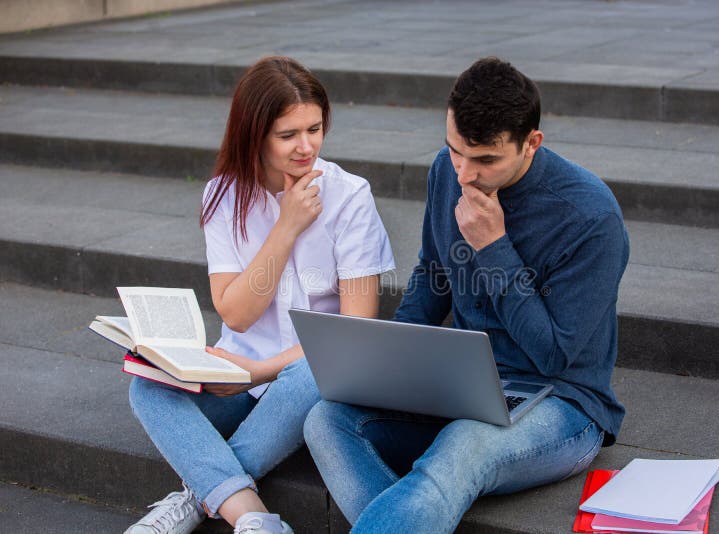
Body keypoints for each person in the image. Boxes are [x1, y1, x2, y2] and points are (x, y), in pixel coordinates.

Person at [303, 57, 629, 533]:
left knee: (464, 444)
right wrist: (389, 362)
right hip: (462, 384)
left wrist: (494, 248)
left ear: (531, 144)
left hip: (563, 405)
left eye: (486, 160)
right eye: (456, 151)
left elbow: (554, 354)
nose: (464, 174)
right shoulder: (445, 171)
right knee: (326, 420)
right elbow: (433, 272)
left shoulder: (590, 218)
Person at [125, 56, 394, 534]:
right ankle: (252, 517)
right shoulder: (222, 195)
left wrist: (260, 371)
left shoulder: (350, 197)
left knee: (317, 369)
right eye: (288, 135)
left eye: (315, 128)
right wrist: (286, 227)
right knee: (147, 385)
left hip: (313, 377)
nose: (306, 146)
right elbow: (236, 313)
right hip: (236, 370)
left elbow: (352, 335)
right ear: (254, 134)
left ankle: (202, 493)